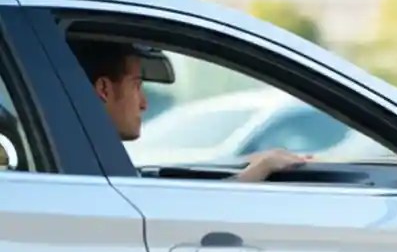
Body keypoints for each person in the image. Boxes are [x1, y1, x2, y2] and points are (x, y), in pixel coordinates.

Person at [70, 39, 306, 181]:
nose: (144, 103)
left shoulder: (76, 156)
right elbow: (166, 214)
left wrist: (246, 165)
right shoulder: (82, 168)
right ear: (103, 89)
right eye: (137, 85)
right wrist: (261, 169)